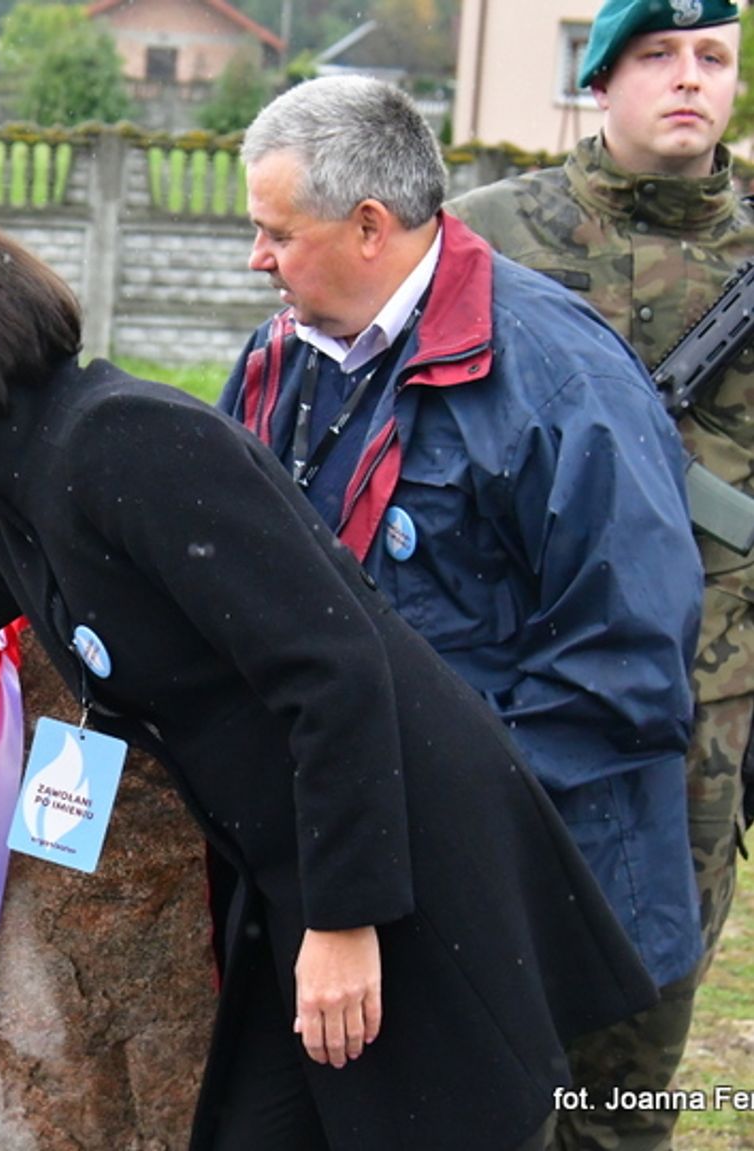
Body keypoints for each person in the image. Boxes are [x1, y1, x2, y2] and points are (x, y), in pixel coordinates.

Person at [0, 225, 662, 1150]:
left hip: (400, 869)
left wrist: (348, 922)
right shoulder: (25, 493)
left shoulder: (129, 443)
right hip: (308, 872)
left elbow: (335, 668)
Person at [217, 70, 706, 1109]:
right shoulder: (279, 363)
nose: (255, 257)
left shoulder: (561, 379)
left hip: (531, 876)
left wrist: (426, 815)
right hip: (364, 857)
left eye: (275, 231)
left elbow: (628, 660)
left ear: (367, 225)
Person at [447, 4, 749, 1142]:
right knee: (490, 1007)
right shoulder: (486, 236)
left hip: (702, 696)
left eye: (712, 58)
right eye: (657, 57)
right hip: (511, 679)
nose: (688, 80)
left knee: (644, 1022)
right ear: (600, 80)